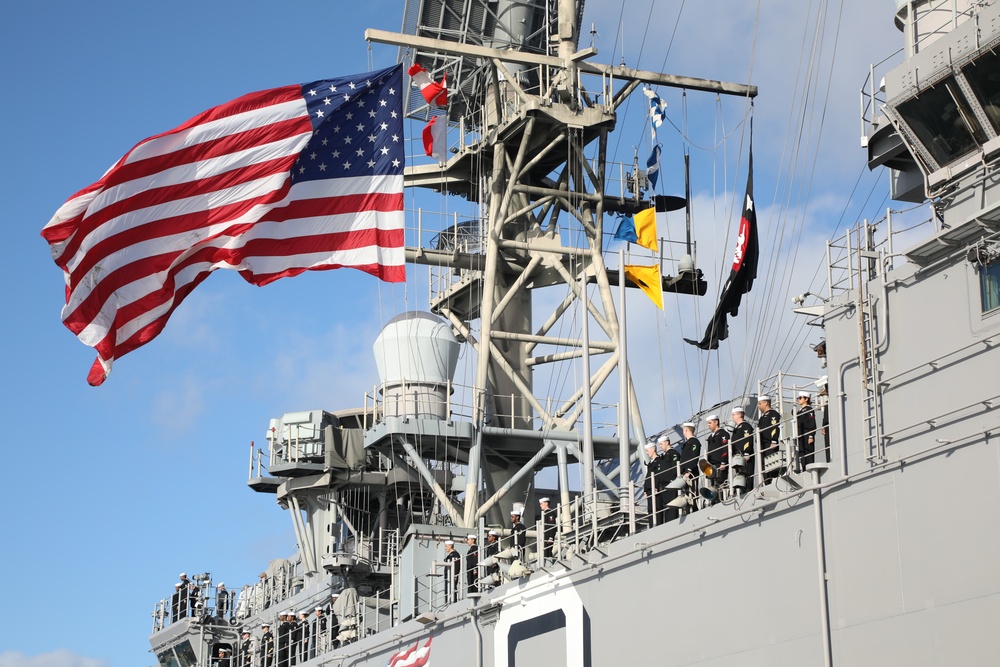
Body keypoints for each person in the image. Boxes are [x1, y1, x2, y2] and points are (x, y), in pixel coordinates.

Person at [656, 435, 681, 523]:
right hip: (664, 485)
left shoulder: (673, 453)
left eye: (661, 444)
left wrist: (672, 479)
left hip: (670, 483)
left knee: (672, 505)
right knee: (667, 506)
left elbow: (675, 467)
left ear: (667, 443)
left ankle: (672, 521)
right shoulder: (664, 456)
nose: (660, 446)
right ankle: (668, 522)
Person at [757, 396, 782, 481]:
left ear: (766, 403)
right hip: (763, 445)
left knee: (771, 465)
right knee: (764, 467)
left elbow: (774, 427)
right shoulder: (762, 417)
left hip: (770, 444)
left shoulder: (772, 414)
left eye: (760, 403)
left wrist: (774, 440)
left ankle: (773, 481)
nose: (758, 406)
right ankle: (767, 482)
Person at [730, 407, 756, 487]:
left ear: (739, 415)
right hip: (737, 457)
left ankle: (748, 489)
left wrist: (746, 452)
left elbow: (748, 439)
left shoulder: (745, 426)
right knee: (739, 477)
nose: (732, 417)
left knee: (747, 476)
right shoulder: (736, 429)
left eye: (734, 415)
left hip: (745, 455)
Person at [795, 391, 817, 469]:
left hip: (807, 436)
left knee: (808, 456)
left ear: (806, 399)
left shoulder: (809, 409)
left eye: (800, 398)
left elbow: (812, 423)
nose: (798, 399)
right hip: (801, 436)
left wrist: (811, 436)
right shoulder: (799, 411)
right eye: (798, 398)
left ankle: (809, 470)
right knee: (802, 456)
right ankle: (804, 470)